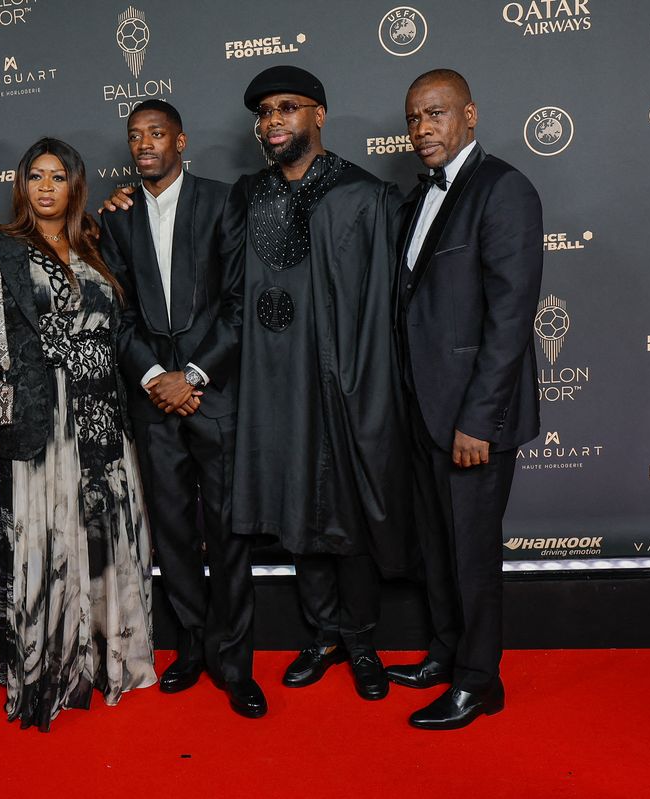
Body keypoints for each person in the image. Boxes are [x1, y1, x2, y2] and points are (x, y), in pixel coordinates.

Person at [0, 137, 156, 733]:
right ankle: (51, 665)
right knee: (46, 537)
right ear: (22, 186)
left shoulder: (97, 242)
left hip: (105, 414)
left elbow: (122, 327)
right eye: (35, 176)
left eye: (58, 176)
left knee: (105, 535)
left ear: (75, 185)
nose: (45, 187)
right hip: (42, 417)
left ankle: (107, 657)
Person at [232, 65, 409, 701]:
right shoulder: (248, 195)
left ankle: (361, 638)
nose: (272, 121)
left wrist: (358, 382)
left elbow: (385, 305)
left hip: (341, 382)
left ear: (319, 115)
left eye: (287, 108)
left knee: (345, 509)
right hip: (273, 384)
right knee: (291, 504)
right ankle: (323, 633)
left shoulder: (364, 195)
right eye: (264, 113)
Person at [98, 100, 264, 719]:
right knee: (172, 534)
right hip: (151, 400)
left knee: (229, 534)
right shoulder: (114, 218)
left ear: (181, 140)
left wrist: (191, 375)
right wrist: (152, 377)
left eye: (156, 134)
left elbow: (239, 301)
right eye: (135, 136)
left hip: (213, 392)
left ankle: (235, 662)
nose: (144, 144)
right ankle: (191, 646)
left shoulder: (224, 201)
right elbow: (113, 312)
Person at [388, 69, 543, 730]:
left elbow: (510, 318)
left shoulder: (504, 189)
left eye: (437, 114)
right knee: (438, 545)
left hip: (473, 418)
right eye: (414, 117)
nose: (422, 128)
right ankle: (449, 655)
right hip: (424, 411)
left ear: (470, 116)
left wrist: (480, 418)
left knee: (473, 552)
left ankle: (479, 681)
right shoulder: (416, 195)